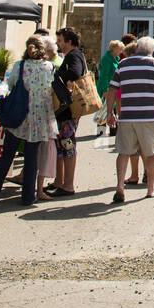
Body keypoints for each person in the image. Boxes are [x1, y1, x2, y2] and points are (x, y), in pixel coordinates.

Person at [0, 36, 57, 207]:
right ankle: (28, 196)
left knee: (7, 155)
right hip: (40, 118)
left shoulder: (20, 66)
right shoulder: (49, 67)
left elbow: (11, 84)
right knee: (32, 158)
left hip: (19, 115)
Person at [111, 36, 154, 203]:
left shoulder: (123, 64)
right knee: (152, 154)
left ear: (137, 48)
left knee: (123, 152)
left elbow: (112, 89)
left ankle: (119, 187)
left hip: (127, 115)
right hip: (149, 116)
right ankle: (151, 189)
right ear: (152, 51)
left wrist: (110, 113)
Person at [48, 27, 87, 197]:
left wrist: (58, 76)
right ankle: (60, 181)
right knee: (62, 146)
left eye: (60, 40)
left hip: (68, 110)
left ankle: (68, 185)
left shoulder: (74, 55)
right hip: (65, 110)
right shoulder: (73, 55)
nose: (58, 43)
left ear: (69, 42)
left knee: (67, 145)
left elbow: (75, 72)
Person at [95, 40, 123, 138]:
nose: (121, 51)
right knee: (103, 109)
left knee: (112, 107)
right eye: (120, 49)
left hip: (113, 87)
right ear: (114, 49)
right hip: (106, 86)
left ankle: (113, 129)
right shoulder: (107, 59)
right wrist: (105, 89)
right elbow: (104, 75)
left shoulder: (115, 58)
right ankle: (101, 131)